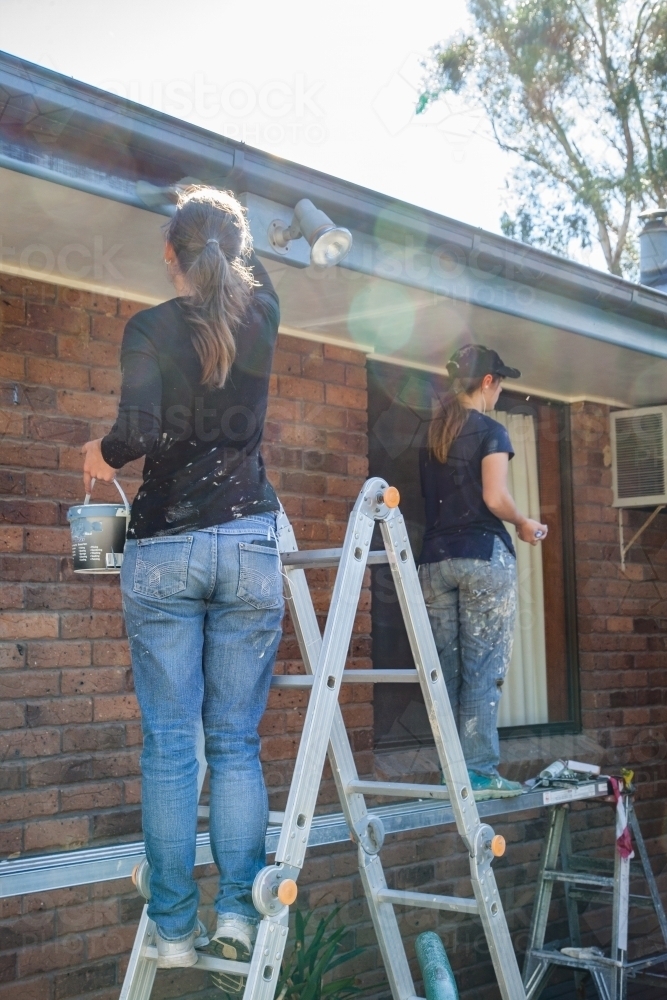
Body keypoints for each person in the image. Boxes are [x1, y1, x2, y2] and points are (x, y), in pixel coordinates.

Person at [80, 186, 283, 985]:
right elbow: (241, 265)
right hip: (246, 542)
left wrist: (101, 456)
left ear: (169, 257)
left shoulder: (150, 327)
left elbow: (134, 432)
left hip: (164, 546)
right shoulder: (261, 314)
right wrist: (214, 226)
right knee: (234, 741)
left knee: (172, 743)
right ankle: (236, 915)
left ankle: (171, 928)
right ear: (234, 254)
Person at [418, 344, 548, 800]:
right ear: (489, 382)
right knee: (482, 669)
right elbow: (494, 498)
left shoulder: (434, 435)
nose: (499, 393)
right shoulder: (490, 430)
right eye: (501, 384)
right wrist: (525, 522)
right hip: (481, 557)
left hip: (434, 562)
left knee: (445, 672)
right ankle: (478, 772)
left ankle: (450, 771)